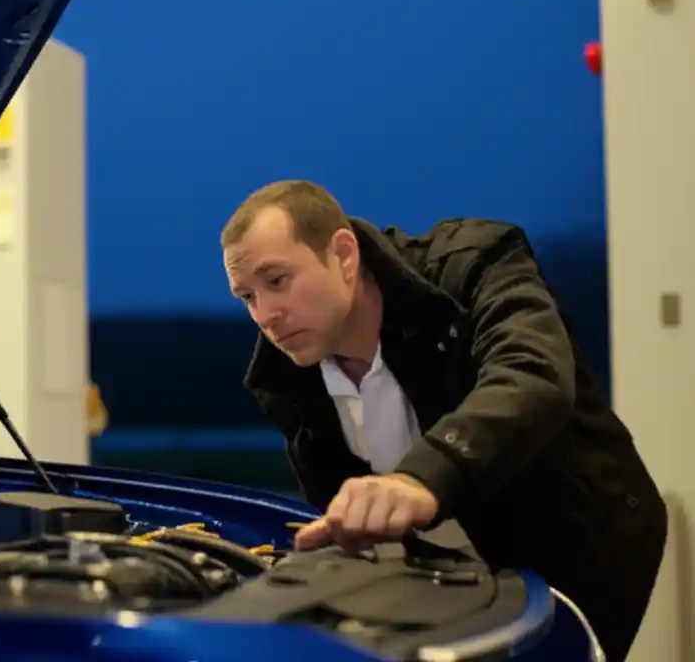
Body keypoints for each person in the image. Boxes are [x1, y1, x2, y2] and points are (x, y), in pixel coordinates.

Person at [220, 180, 666, 662]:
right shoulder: (286, 375)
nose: (265, 315)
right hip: (444, 582)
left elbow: (531, 374)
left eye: (277, 280)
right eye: (247, 297)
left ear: (344, 256)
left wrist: (421, 478)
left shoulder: (472, 263)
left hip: (579, 542)